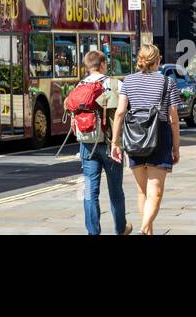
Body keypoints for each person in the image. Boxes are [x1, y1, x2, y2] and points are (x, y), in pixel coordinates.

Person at [110, 44, 180, 235]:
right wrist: (176, 147)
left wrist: (115, 143)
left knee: (144, 192)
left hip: (134, 138)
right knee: (154, 193)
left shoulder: (128, 81)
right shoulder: (168, 82)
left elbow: (120, 113)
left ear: (139, 60)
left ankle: (146, 231)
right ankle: (144, 229)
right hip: (160, 137)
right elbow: (173, 119)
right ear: (158, 60)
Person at [72, 50, 131, 236]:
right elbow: (123, 113)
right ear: (103, 64)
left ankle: (93, 232)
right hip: (110, 144)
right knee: (115, 191)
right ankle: (120, 229)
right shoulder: (115, 84)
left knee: (90, 192)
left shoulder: (79, 85)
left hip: (87, 144)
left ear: (87, 67)